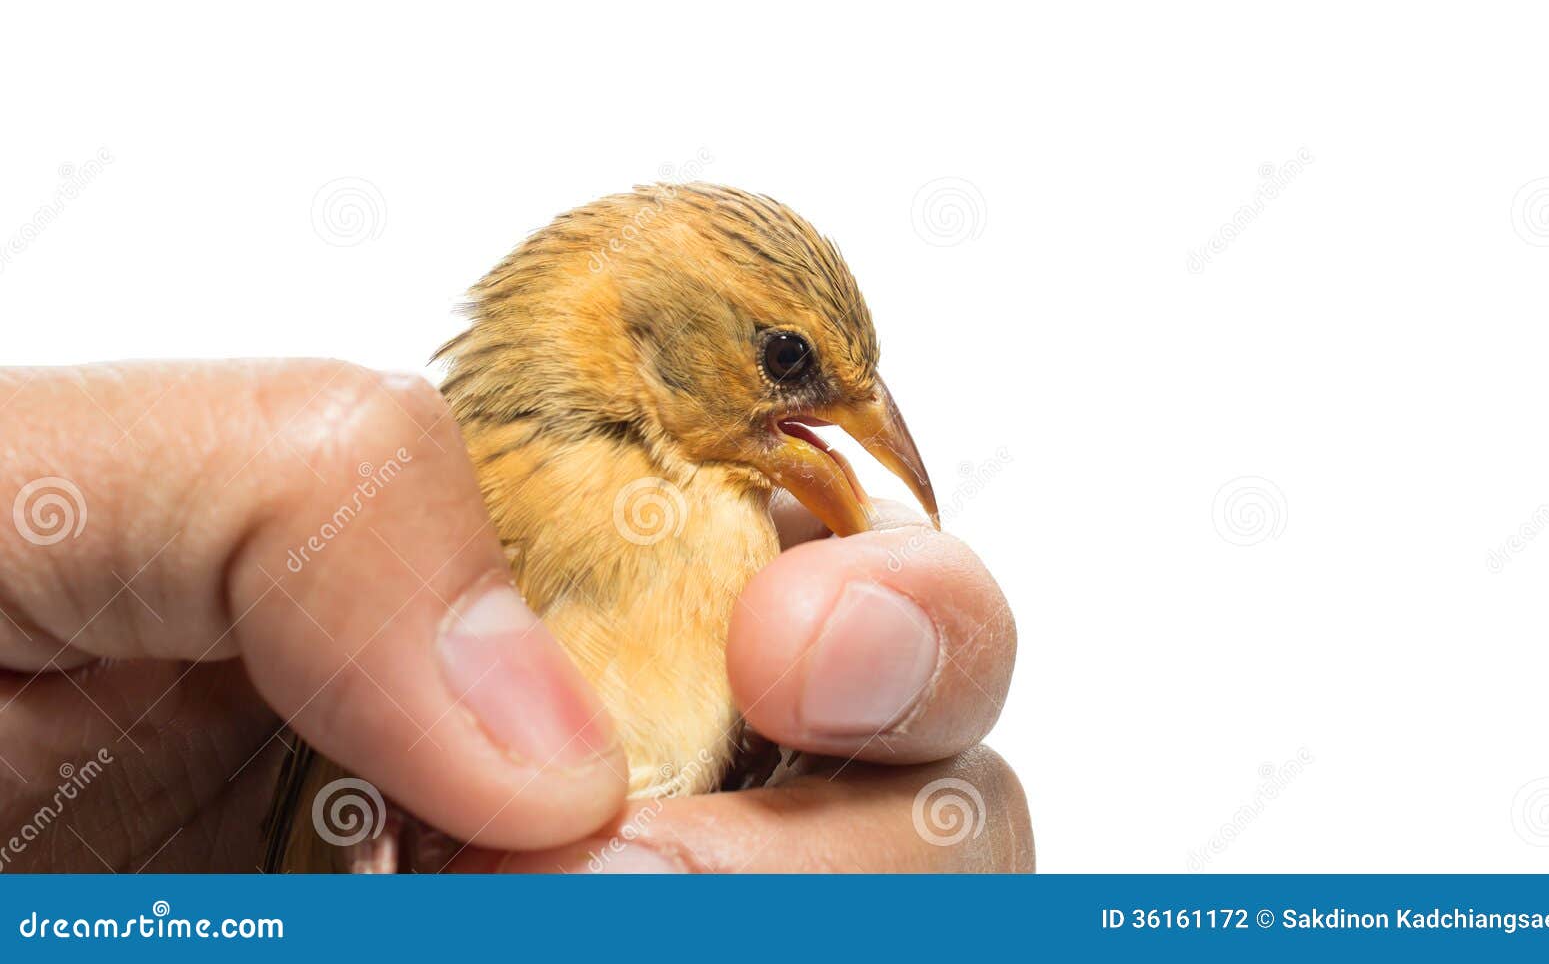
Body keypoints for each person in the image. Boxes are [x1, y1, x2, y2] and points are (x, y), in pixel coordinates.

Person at [0, 361, 1031, 872]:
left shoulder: (748, 533)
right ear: (637, 336)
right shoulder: (490, 474)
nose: (845, 434)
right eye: (783, 359)